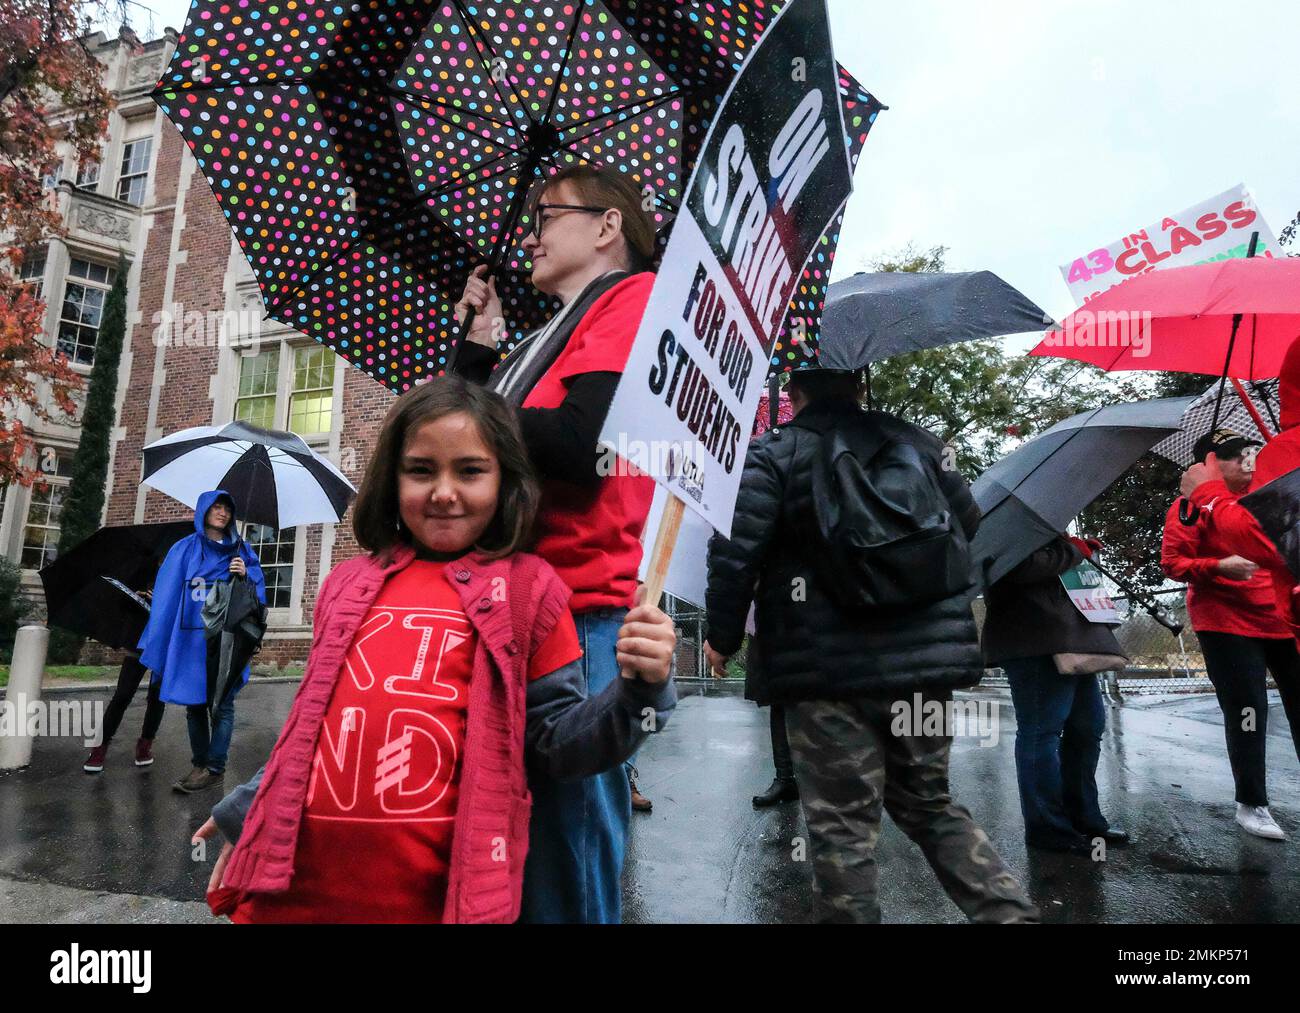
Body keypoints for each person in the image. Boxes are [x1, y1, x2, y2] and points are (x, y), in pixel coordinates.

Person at [194, 376, 677, 923]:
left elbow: (560, 746)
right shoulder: (347, 583)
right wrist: (248, 810)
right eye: (421, 470)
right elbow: (311, 727)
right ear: (391, 479)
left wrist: (640, 690)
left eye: (470, 471)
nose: (444, 491)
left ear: (507, 482)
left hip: (432, 902)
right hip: (300, 895)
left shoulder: (529, 592)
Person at [704, 367, 1037, 924]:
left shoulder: (772, 453)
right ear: (859, 385)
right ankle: (1010, 916)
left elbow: (737, 551)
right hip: (923, 668)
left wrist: (722, 635)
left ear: (794, 393)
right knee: (930, 803)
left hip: (826, 670)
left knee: (841, 827)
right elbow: (968, 519)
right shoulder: (922, 444)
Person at [452, 164, 662, 922]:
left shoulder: (631, 300)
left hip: (579, 618)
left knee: (567, 844)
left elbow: (579, 443)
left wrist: (474, 408)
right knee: (524, 834)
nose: (534, 232)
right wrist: (478, 351)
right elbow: (483, 439)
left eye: (550, 213)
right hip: (523, 612)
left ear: (608, 226)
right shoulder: (549, 333)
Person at [1178, 342, 1300, 837]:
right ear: (1212, 464)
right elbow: (1174, 561)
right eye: (1232, 457)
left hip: (1279, 618)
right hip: (1228, 622)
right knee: (1249, 708)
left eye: (1249, 452)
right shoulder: (1193, 504)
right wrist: (1217, 565)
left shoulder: (1273, 486)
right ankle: (1252, 801)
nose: (1247, 462)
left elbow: (1279, 540)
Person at [982, 535, 1131, 855]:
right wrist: (1075, 550)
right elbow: (1017, 568)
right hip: (1033, 639)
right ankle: (1047, 828)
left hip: (1072, 637)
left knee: (1087, 728)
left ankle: (1085, 818)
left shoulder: (1047, 523)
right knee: (1042, 733)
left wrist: (1071, 548)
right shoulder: (1007, 525)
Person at [137, 490, 265, 794]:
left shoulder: (241, 552)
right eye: (216, 507)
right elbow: (168, 596)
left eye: (227, 509)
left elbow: (257, 597)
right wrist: (160, 637)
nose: (222, 513)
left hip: (225, 640)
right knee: (194, 704)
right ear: (204, 510)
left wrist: (246, 574)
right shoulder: (183, 550)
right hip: (190, 640)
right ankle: (200, 764)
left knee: (222, 703)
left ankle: (215, 767)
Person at [83, 644, 164, 773]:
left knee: (157, 698)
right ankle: (100, 746)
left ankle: (145, 744)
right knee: (122, 695)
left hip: (165, 647)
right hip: (140, 642)